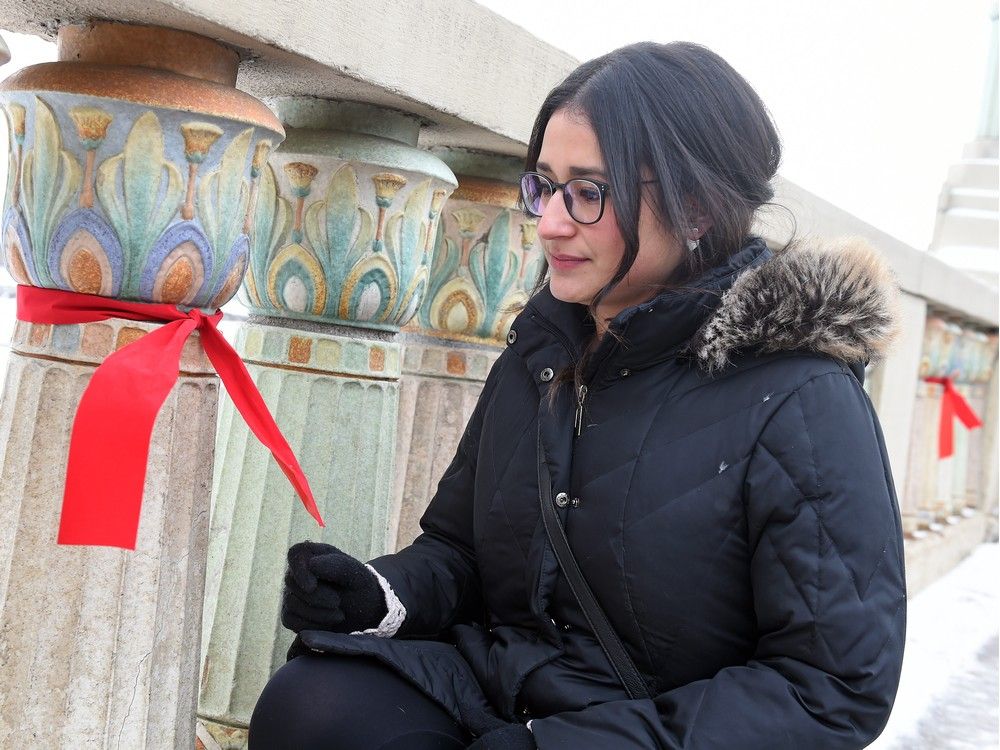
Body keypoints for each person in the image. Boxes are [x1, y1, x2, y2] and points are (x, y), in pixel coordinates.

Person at [249, 41, 906, 750]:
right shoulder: (542, 355)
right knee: (312, 706)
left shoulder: (802, 397)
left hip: (654, 732)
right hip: (508, 690)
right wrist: (380, 597)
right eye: (545, 186)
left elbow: (830, 690)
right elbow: (462, 552)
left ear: (694, 206)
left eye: (588, 192)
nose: (551, 223)